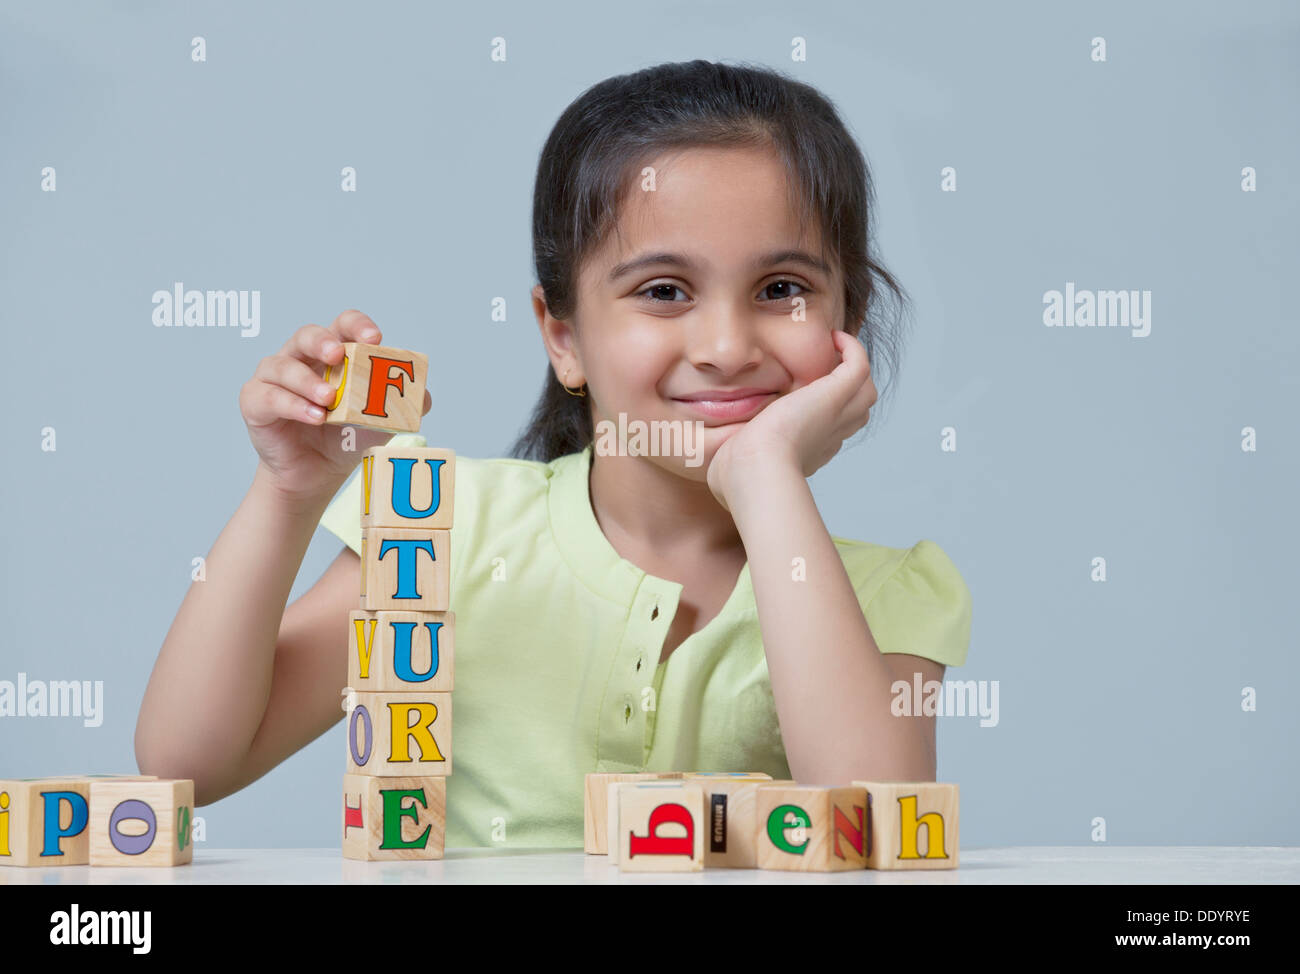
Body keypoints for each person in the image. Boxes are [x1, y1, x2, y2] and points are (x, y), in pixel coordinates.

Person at [135, 59, 972, 849]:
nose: (725, 345)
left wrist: (765, 482)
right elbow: (191, 762)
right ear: (562, 337)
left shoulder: (886, 597)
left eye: (781, 289)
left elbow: (880, 831)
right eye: (664, 291)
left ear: (846, 324)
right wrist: (288, 495)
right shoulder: (446, 530)